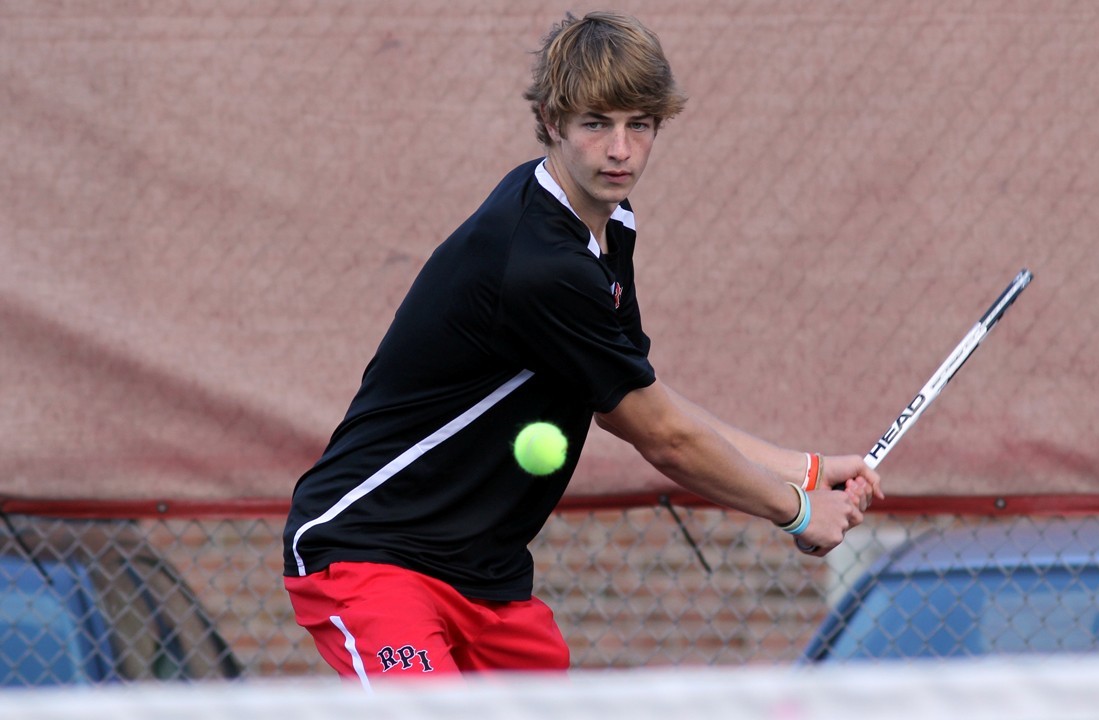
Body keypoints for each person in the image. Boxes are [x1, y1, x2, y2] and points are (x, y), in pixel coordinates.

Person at [282, 10, 882, 681]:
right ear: (551, 122)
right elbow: (664, 439)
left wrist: (801, 468)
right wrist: (797, 511)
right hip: (371, 554)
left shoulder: (604, 227)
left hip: (486, 577)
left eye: (640, 125)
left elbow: (641, 399)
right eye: (597, 124)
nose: (620, 149)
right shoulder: (540, 262)